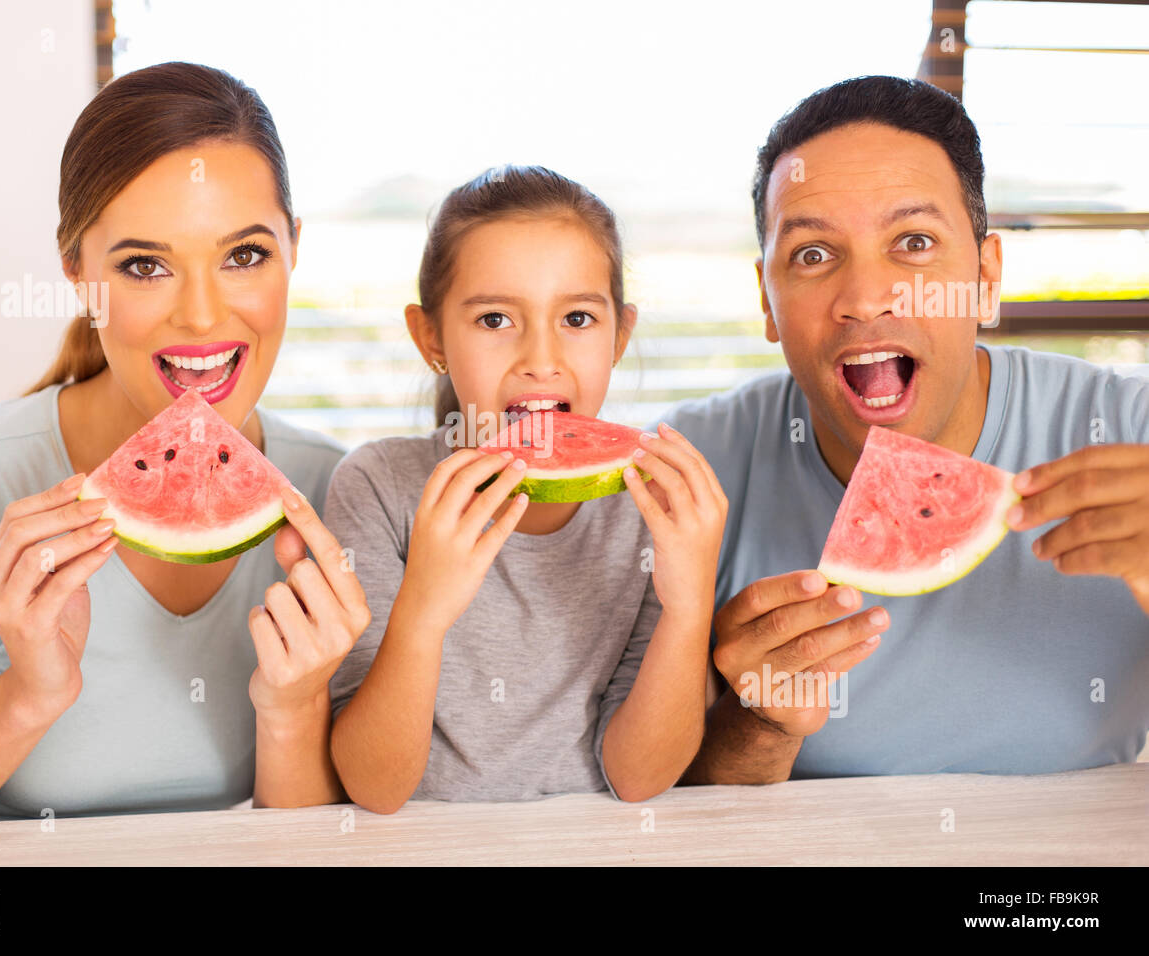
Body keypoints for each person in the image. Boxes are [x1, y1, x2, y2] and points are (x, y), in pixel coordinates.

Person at [0, 62, 369, 826]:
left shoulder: (336, 495)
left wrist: (293, 709)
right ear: (77, 274)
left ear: (293, 248)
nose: (201, 315)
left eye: (245, 255)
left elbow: (315, 841)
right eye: (145, 266)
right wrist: (30, 697)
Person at [666, 76, 1149, 785]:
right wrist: (760, 722)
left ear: (985, 278)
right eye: (811, 254)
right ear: (766, 301)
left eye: (914, 242)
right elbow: (656, 807)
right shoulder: (695, 470)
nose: (864, 299)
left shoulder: (1130, 434)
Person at [324, 166, 728, 812]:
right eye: (493, 320)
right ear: (430, 337)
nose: (541, 358)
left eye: (576, 317)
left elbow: (639, 777)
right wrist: (425, 610)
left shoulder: (653, 510)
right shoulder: (378, 488)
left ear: (620, 335)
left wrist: (688, 609)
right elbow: (375, 786)